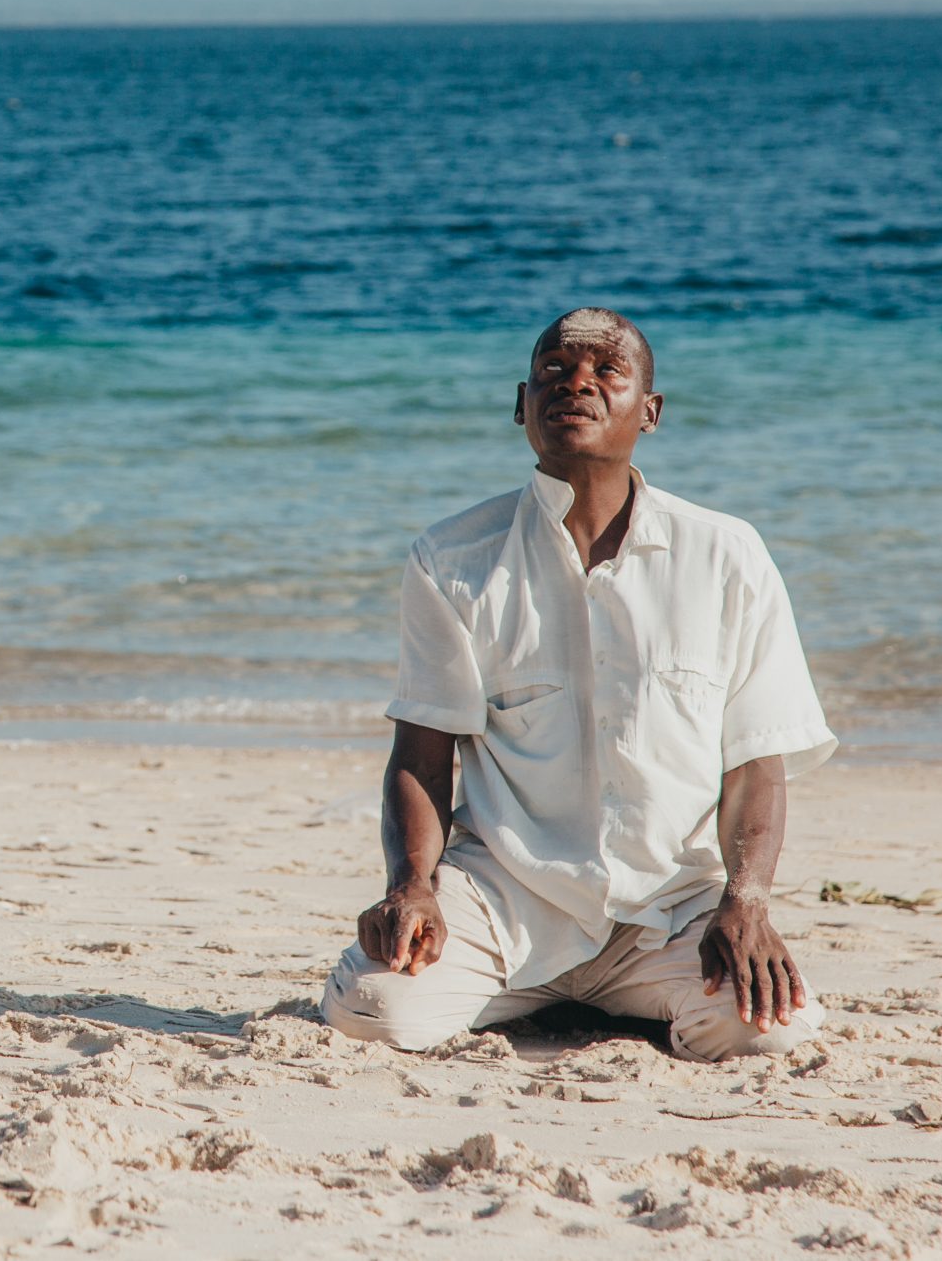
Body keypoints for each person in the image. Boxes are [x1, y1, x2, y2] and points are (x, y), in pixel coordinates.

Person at [321, 308, 834, 1061]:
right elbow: (422, 753)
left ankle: (618, 996)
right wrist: (411, 885)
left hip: (670, 908)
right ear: (521, 403)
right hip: (505, 900)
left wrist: (745, 899)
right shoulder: (453, 559)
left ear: (650, 413)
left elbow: (758, 760)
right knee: (373, 1013)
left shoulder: (728, 557)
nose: (578, 383)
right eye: (554, 369)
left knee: (771, 1027)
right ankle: (549, 995)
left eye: (607, 370)